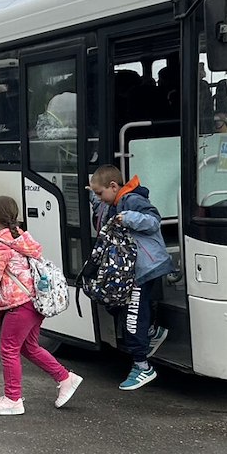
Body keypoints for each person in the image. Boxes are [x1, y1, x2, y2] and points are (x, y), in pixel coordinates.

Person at [0, 195, 82, 415]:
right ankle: (65, 378)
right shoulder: (21, 238)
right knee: (29, 347)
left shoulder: (1, 244)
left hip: (18, 304)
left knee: (9, 349)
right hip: (33, 301)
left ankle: (13, 399)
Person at [87, 164, 174, 391]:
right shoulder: (112, 202)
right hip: (133, 271)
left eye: (100, 193)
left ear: (114, 186)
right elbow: (99, 203)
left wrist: (128, 218)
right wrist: (93, 193)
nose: (99, 198)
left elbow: (154, 221)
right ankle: (152, 333)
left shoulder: (131, 201)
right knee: (116, 304)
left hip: (144, 269)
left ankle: (142, 367)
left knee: (133, 316)